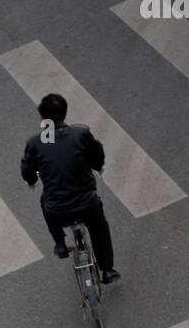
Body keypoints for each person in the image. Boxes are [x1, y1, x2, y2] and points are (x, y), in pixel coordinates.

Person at [21, 93, 120, 284]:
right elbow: (97, 155)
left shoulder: (35, 143)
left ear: (43, 118)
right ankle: (107, 270)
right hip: (88, 205)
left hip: (58, 210)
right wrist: (98, 166)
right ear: (65, 114)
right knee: (99, 229)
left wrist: (31, 180)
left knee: (45, 201)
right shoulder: (80, 134)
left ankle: (59, 243)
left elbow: (28, 170)